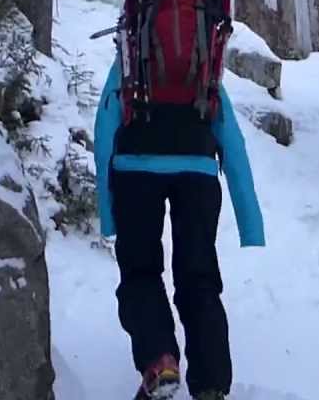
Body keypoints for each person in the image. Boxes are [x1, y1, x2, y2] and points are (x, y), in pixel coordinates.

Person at [93, 55, 265, 400]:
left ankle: (160, 361)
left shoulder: (130, 54)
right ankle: (211, 385)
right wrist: (251, 222)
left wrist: (108, 214)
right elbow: (231, 139)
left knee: (140, 272)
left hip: (135, 170)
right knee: (198, 278)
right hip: (198, 170)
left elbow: (105, 133)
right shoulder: (201, 56)